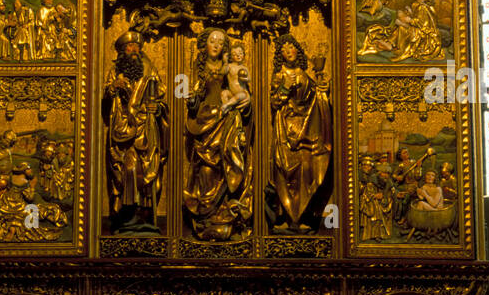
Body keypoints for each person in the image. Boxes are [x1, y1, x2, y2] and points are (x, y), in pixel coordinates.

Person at [183, 28, 252, 240]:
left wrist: (245, 101)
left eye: (220, 42)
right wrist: (192, 99)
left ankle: (224, 210)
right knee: (205, 168)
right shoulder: (198, 67)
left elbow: (241, 90)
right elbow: (191, 95)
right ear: (205, 44)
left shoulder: (228, 67)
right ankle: (205, 213)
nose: (215, 45)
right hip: (205, 121)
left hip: (227, 118)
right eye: (212, 41)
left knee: (226, 165)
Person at [102, 30, 168, 231]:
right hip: (122, 129)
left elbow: (162, 97)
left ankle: (144, 214)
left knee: (148, 171)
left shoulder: (149, 70)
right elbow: (106, 97)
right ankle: (127, 212)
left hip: (145, 129)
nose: (134, 50)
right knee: (128, 169)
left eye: (137, 47)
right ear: (123, 51)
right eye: (129, 47)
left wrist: (157, 108)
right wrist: (113, 87)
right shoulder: (115, 71)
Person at [269, 35, 332, 231]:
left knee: (307, 170)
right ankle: (287, 217)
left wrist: (322, 90)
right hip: (286, 129)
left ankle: (303, 215)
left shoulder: (305, 75)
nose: (289, 52)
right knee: (286, 170)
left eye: (292, 48)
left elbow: (316, 97)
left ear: (298, 50)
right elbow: (274, 102)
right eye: (285, 50)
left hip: (307, 128)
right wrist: (285, 87)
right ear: (280, 55)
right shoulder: (279, 75)